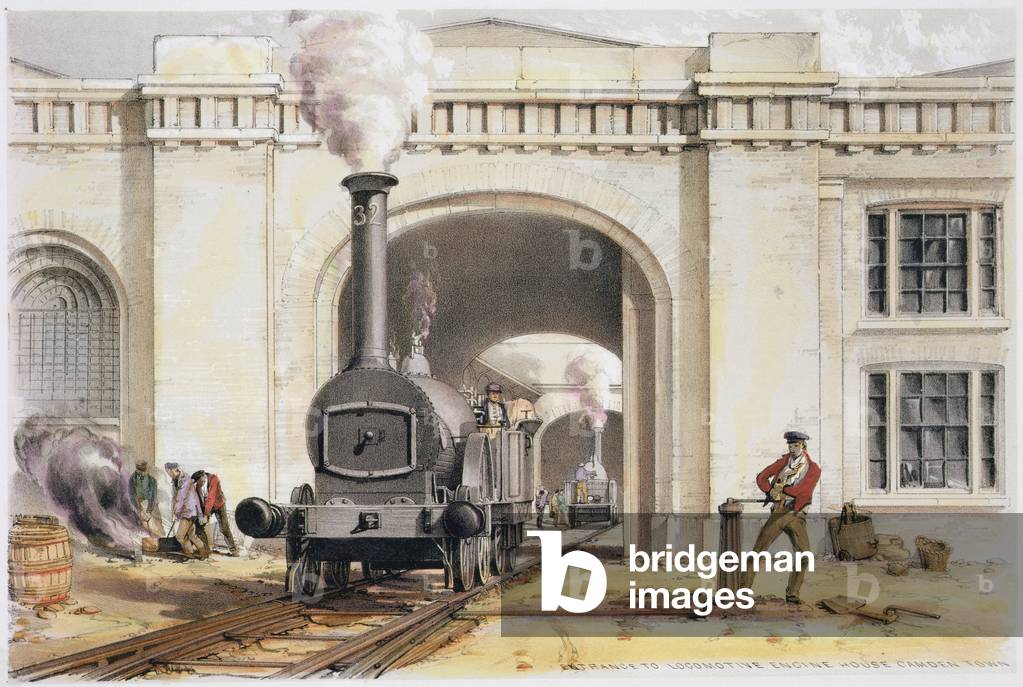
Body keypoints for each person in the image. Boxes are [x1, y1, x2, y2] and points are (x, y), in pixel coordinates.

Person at [742, 431, 821, 604]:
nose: (792, 449)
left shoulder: (813, 469)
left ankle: (792, 593)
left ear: (803, 446)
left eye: (796, 445)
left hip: (796, 514)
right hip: (779, 511)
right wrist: (769, 491)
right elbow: (761, 477)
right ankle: (743, 590)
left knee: (804, 555)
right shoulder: (784, 461)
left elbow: (802, 491)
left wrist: (780, 489)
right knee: (758, 551)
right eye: (790, 445)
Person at [165, 462, 208, 560]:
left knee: (180, 536)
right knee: (192, 535)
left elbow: (181, 497)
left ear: (172, 470)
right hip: (189, 511)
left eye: (168, 472)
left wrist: (176, 513)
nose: (168, 474)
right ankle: (201, 553)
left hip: (188, 512)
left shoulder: (184, 480)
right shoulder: (177, 479)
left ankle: (190, 553)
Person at [192, 470, 240, 556]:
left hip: (219, 505)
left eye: (199, 481)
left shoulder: (214, 479)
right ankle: (206, 550)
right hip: (207, 506)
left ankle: (234, 549)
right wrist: (200, 515)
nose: (198, 484)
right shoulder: (198, 485)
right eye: (197, 483)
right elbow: (199, 501)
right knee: (199, 526)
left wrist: (206, 515)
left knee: (224, 528)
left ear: (203, 477)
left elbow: (211, 497)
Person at [131, 461, 160, 536]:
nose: (141, 473)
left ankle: (153, 537)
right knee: (143, 522)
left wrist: (149, 508)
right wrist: (137, 505)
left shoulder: (152, 480)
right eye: (139, 471)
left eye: (143, 470)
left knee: (148, 522)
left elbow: (153, 495)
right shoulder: (133, 478)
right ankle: (150, 537)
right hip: (138, 503)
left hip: (147, 503)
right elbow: (131, 493)